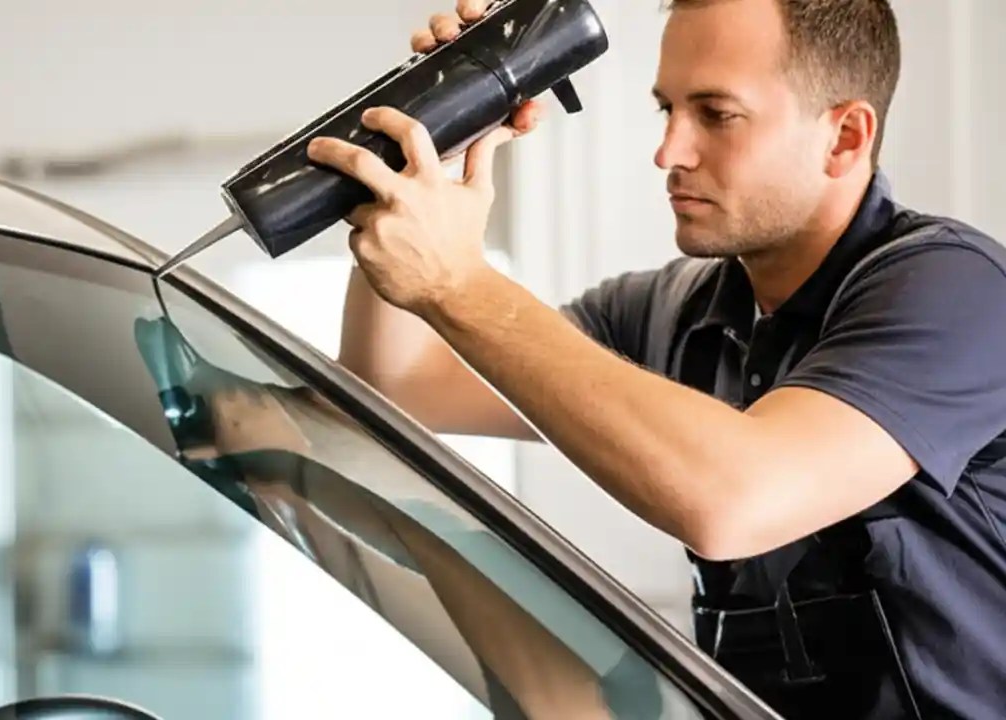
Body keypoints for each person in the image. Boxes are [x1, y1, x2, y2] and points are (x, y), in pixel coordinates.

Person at [308, 0, 1006, 717]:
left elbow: (734, 499)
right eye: (666, 108)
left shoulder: (959, 293)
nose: (669, 152)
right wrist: (429, 150)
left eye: (716, 114)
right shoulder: (670, 313)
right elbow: (396, 383)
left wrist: (458, 281)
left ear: (844, 137)